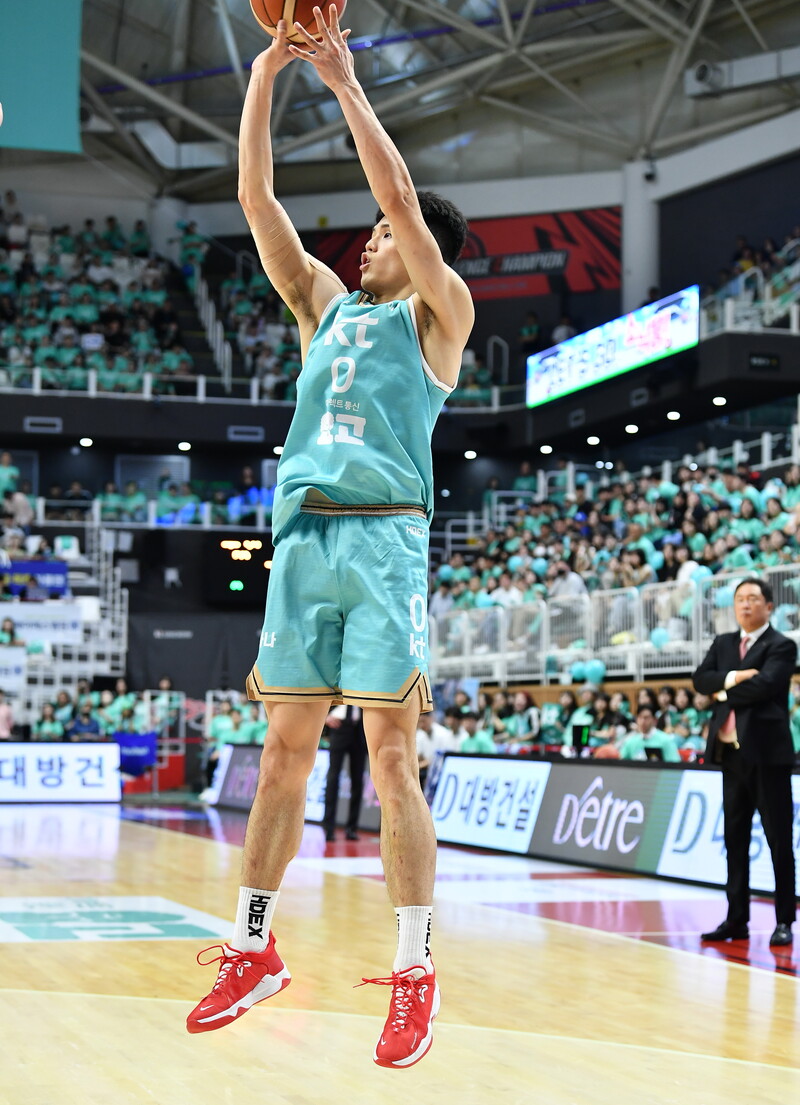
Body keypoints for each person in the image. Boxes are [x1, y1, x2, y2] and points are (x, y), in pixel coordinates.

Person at [186, 9, 474, 1070]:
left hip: (385, 543)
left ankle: (413, 971)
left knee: (392, 760)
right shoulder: (321, 307)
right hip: (302, 545)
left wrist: (345, 80)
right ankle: (252, 944)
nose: (371, 236)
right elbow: (256, 201)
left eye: (387, 234)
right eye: (368, 231)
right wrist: (266, 71)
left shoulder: (439, 316)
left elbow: (400, 193)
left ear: (424, 249)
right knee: (278, 760)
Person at [693, 578, 797, 947]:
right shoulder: (723, 643)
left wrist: (721, 690)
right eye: (740, 599)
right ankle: (736, 918)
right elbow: (700, 680)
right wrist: (733, 679)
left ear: (769, 606)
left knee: (779, 841)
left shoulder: (781, 646)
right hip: (730, 755)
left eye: (754, 599)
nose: (746, 605)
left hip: (768, 756)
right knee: (735, 841)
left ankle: (785, 919)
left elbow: (766, 686)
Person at [322, 703, 368, 841]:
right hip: (338, 726)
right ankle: (328, 828)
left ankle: (352, 828)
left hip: (360, 730)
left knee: (358, 781)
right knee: (333, 778)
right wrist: (324, 716)